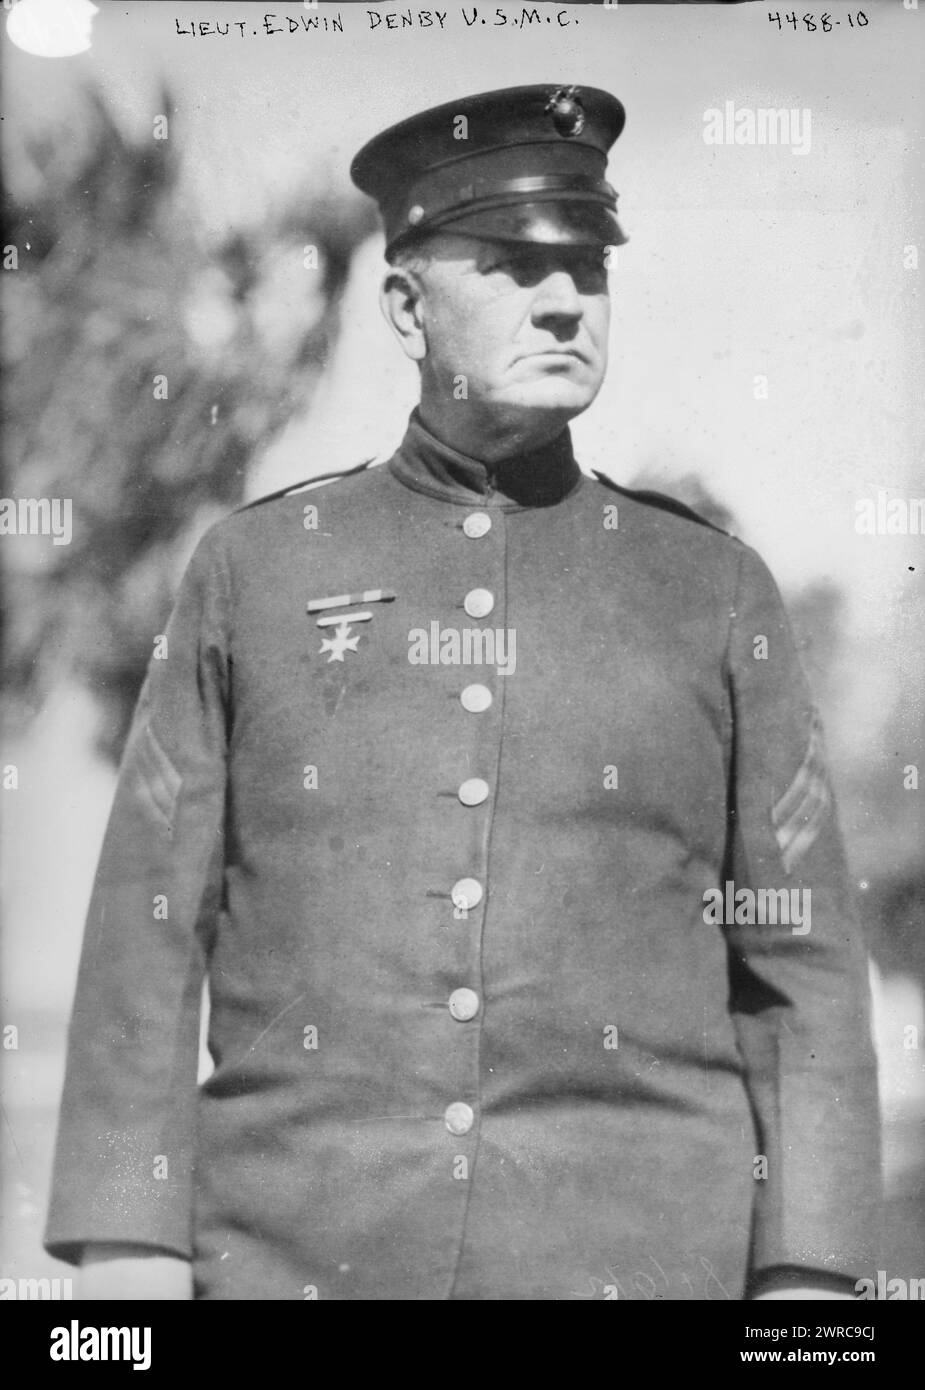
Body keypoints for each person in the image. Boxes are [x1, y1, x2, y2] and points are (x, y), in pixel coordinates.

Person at [45, 84, 881, 1300]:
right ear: (404, 305)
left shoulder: (711, 591)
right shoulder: (256, 570)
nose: (563, 300)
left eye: (589, 270)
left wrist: (809, 1293)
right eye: (509, 266)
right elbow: (147, 940)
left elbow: (799, 966)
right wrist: (125, 1261)